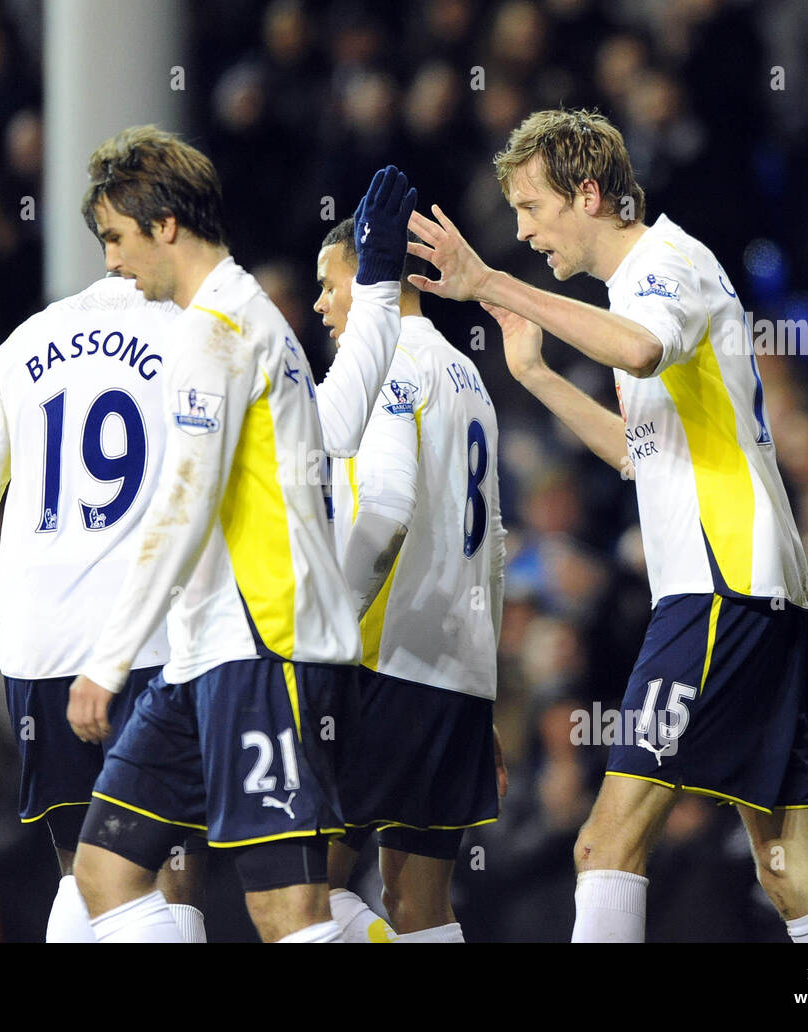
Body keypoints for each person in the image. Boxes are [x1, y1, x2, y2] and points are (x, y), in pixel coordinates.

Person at [406, 108, 808, 943]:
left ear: (588, 195)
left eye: (531, 209)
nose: (522, 231)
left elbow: (642, 351)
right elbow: (641, 451)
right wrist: (537, 376)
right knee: (791, 872)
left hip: (717, 588)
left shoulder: (663, 263)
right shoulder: (640, 286)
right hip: (749, 590)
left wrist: (491, 286)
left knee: (604, 843)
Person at [64, 126, 415, 943]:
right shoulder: (256, 322)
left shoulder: (216, 331)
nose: (112, 263)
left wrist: (109, 658)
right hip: (202, 659)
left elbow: (184, 505)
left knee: (286, 912)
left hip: (267, 648)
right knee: (105, 870)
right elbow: (333, 424)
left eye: (116, 239)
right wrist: (380, 293)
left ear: (165, 225)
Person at [0, 270, 209, 942]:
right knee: (163, 869)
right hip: (154, 645)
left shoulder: (24, 344)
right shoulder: (196, 332)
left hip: (42, 655)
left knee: (80, 874)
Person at [311, 217, 508, 942]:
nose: (322, 306)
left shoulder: (385, 364)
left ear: (369, 281)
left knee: (300, 892)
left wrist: (325, 625)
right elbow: (494, 542)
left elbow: (387, 509)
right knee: (420, 903)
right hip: (457, 671)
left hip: (379, 667)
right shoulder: (469, 374)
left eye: (330, 286)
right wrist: (484, 688)